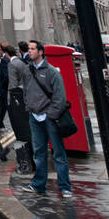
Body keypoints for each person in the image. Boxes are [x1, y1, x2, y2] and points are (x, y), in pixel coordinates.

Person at [21, 39, 73, 197]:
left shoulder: (51, 72)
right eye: (28, 49)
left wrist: (51, 115)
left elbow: (60, 98)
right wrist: (29, 107)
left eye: (32, 49)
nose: (29, 51)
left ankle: (65, 187)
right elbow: (26, 91)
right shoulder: (27, 70)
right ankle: (38, 185)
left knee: (58, 153)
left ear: (40, 52)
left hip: (49, 118)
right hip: (34, 117)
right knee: (39, 153)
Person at [6, 45, 34, 172]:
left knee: (20, 129)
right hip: (25, 97)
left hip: (17, 100)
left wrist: (12, 100)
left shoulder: (12, 65)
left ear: (6, 54)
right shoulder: (22, 63)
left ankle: (25, 161)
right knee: (27, 128)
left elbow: (13, 86)